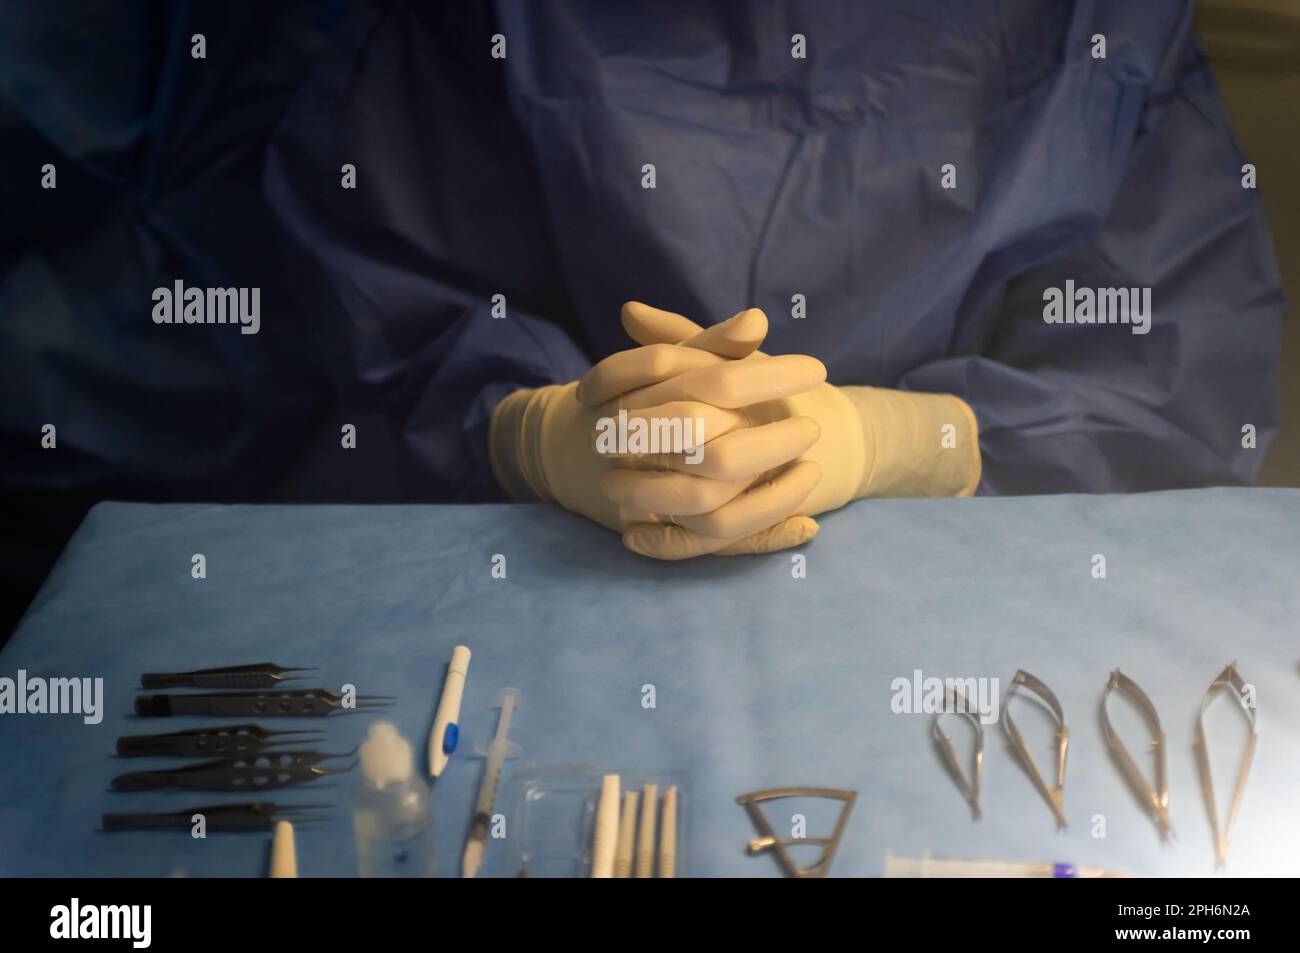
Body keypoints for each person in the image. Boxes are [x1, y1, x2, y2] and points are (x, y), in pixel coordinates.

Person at [267, 0, 1285, 559]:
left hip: (987, 560)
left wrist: (901, 439)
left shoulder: (1090, 24)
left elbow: (1167, 365)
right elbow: (391, 282)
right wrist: (534, 432)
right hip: (538, 556)